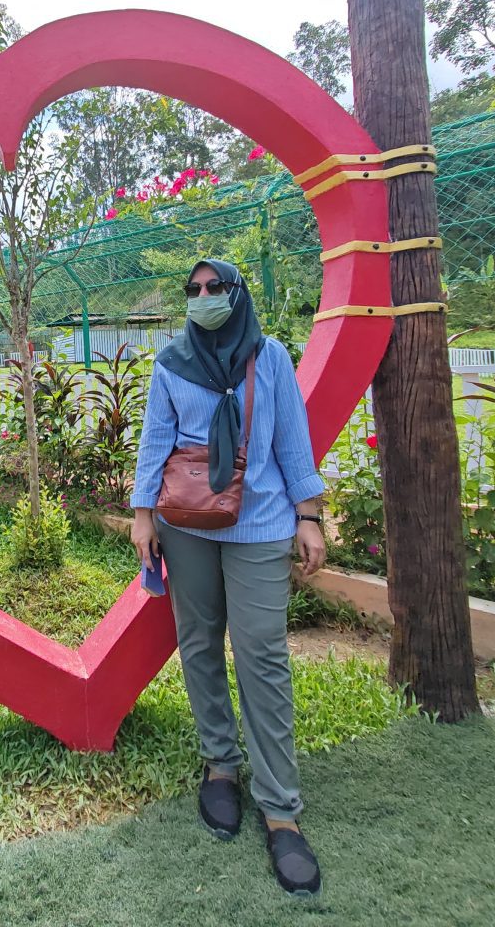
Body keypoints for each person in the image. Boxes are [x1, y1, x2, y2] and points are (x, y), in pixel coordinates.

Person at [131, 258, 328, 897]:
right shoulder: (171, 363)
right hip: (185, 524)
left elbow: (292, 440)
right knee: (198, 643)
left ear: (237, 293)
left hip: (262, 523)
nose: (204, 296)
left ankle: (280, 808)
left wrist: (308, 516)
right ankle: (220, 765)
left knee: (262, 654)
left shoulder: (269, 357)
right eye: (193, 290)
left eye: (216, 287)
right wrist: (142, 515)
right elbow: (155, 440)